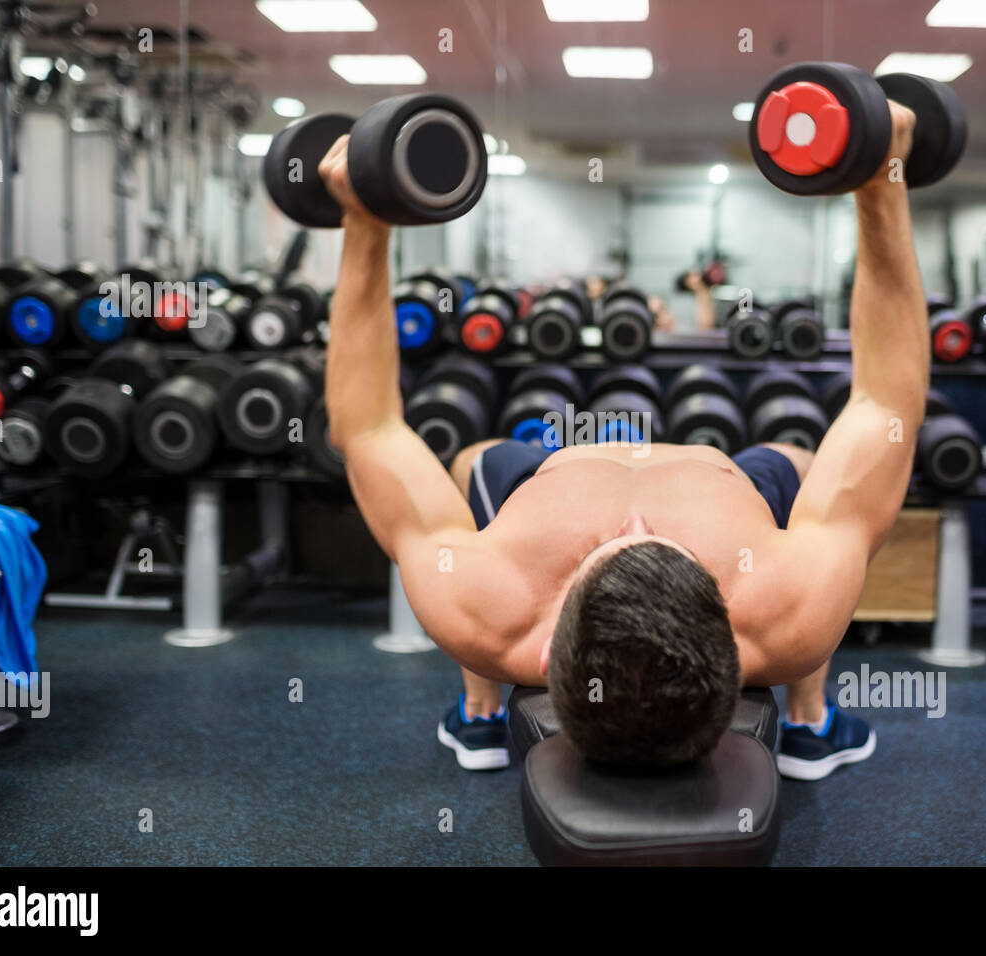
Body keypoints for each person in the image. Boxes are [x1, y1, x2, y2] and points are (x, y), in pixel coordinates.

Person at [318, 101, 925, 780]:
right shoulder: (787, 610)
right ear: (733, 643)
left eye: (607, 551)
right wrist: (882, 185)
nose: (634, 520)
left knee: (468, 466)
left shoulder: (484, 611)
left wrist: (364, 226)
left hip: (539, 490)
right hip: (737, 489)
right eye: (660, 542)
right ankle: (811, 725)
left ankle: (481, 711)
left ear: (545, 655)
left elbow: (367, 426)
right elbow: (883, 403)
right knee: (806, 473)